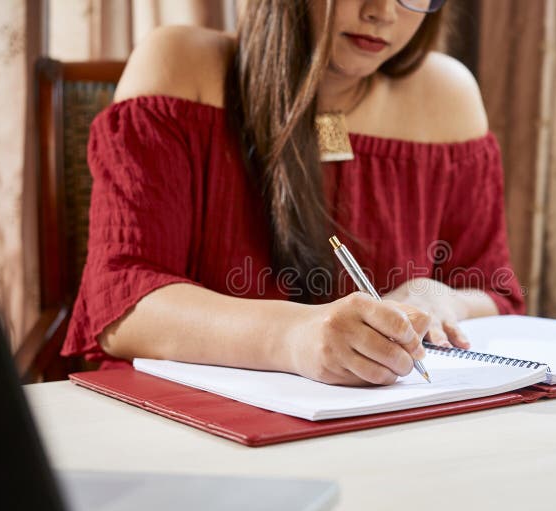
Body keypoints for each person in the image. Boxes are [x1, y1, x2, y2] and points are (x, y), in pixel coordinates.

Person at [61, 0, 525, 386]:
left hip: (376, 429)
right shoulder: (179, 63)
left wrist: (440, 297)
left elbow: (494, 291)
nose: (382, 11)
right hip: (186, 421)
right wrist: (295, 337)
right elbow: (121, 304)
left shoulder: (449, 96)